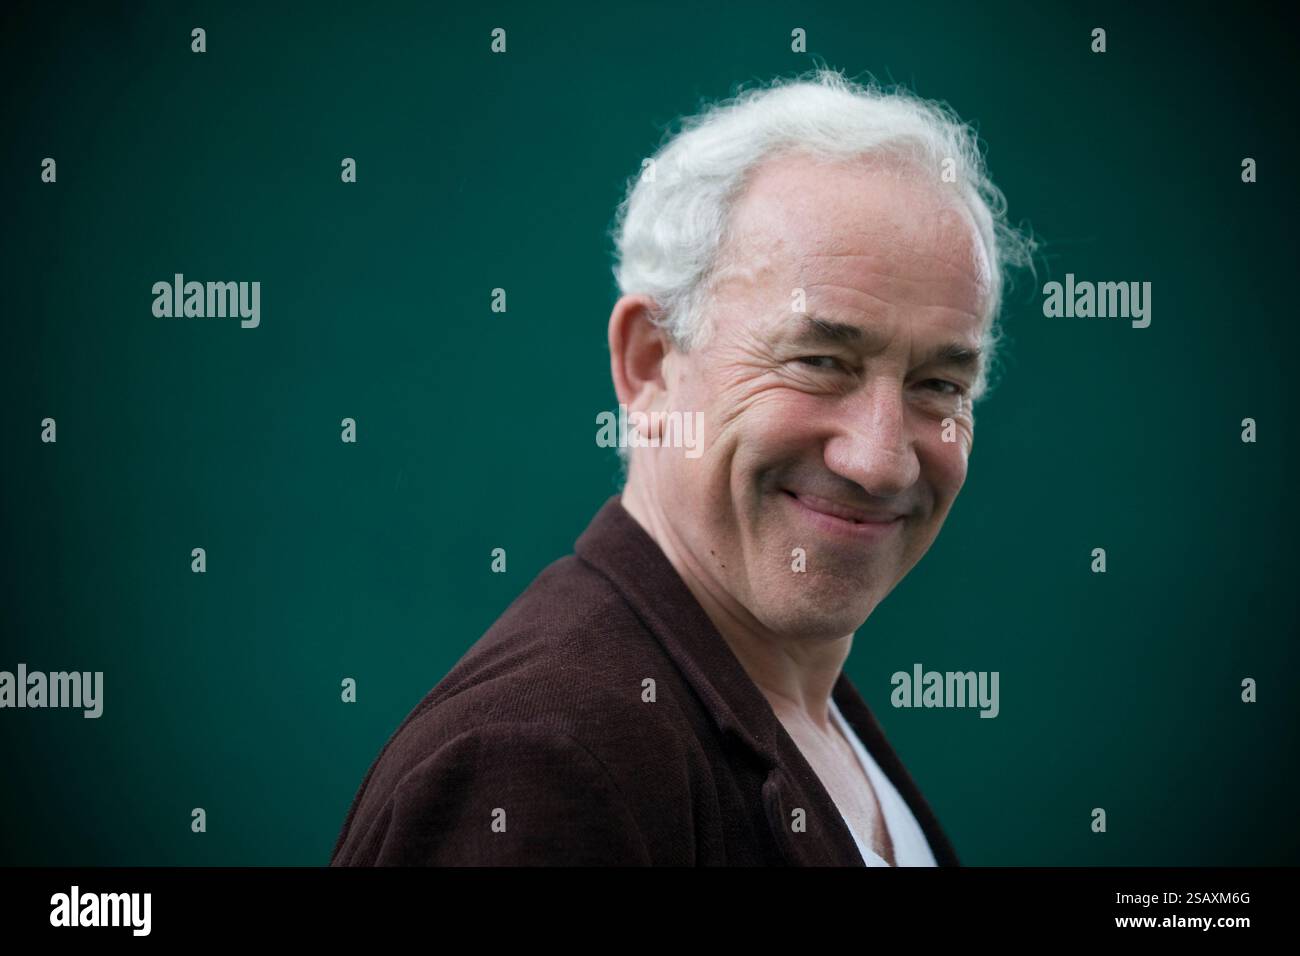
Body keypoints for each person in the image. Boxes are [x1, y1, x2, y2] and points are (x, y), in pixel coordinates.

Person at [331, 68, 1035, 866]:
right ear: (651, 364)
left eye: (939, 384)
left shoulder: (803, 712)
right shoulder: (536, 764)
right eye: (819, 361)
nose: (879, 459)